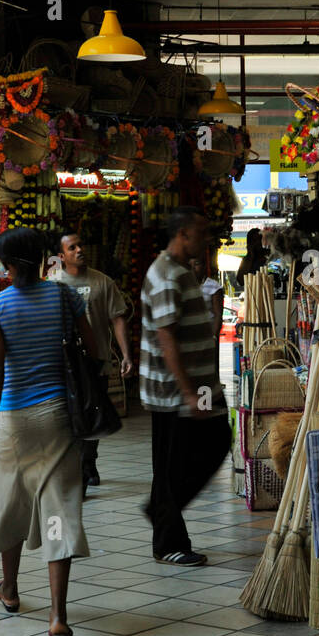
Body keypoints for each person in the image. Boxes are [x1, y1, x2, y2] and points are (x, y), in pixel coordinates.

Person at [0, 227, 98, 636]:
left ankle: (9, 590)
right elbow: (94, 349)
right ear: (47, 258)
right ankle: (58, 617)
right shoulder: (65, 298)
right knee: (58, 510)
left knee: (12, 502)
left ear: (7, 265)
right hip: (59, 417)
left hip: (14, 421)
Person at [140, 207, 231, 566]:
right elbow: (166, 338)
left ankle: (162, 512)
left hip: (197, 387)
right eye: (200, 232)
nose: (206, 239)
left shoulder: (181, 271)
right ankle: (168, 539)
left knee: (212, 444)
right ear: (182, 235)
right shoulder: (165, 275)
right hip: (172, 393)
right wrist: (188, 392)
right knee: (177, 462)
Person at [49, 233, 133, 494]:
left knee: (93, 414)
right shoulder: (52, 283)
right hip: (64, 366)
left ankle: (88, 463)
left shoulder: (102, 281)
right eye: (72, 247)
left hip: (97, 362)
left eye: (80, 245)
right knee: (70, 418)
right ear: (61, 256)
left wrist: (126, 354)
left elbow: (117, 319)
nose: (79, 250)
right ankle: (79, 470)